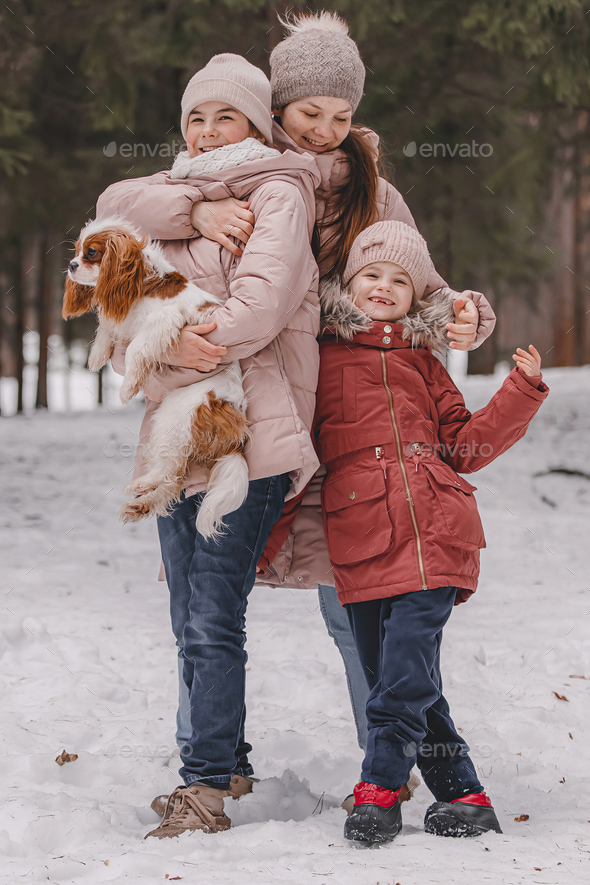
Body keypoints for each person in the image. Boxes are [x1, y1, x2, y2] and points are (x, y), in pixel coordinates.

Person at [168, 11, 497, 769]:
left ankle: (391, 752)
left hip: (350, 418)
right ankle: (208, 755)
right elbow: (144, 216)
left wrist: (464, 316)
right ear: (278, 105)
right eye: (309, 113)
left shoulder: (373, 194)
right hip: (249, 403)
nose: (323, 130)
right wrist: (197, 208)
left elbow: (426, 285)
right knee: (202, 598)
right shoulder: (231, 168)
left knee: (358, 602)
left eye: (340, 116)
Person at [96, 53, 322, 838]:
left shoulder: (278, 192)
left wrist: (190, 344)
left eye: (225, 116)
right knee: (185, 609)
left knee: (213, 615)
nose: (206, 129)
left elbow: (260, 304)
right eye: (196, 116)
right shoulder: (182, 197)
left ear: (257, 125)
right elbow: (112, 237)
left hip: (251, 433)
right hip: (174, 435)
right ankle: (224, 756)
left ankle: (203, 790)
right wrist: (190, 218)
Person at [312, 219, 548, 845]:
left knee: (405, 667)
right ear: (348, 282)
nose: (384, 287)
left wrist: (520, 394)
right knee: (394, 672)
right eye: (372, 274)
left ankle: (380, 786)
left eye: (400, 280)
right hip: (359, 531)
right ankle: (464, 795)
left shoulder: (425, 360)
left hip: (437, 528)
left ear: (418, 297)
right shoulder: (319, 355)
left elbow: (465, 446)